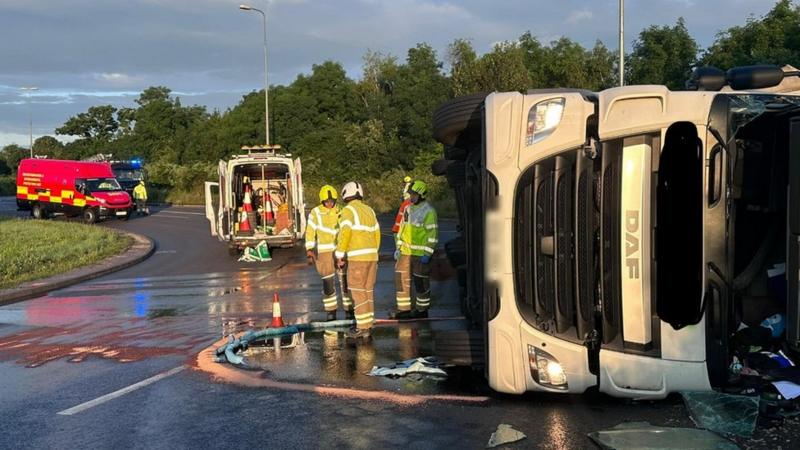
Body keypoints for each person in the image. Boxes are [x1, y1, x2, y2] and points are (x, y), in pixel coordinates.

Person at [335, 181, 381, 341]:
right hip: (372, 257)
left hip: (357, 258)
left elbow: (345, 233)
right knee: (368, 291)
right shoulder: (369, 210)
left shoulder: (348, 211)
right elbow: (377, 234)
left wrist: (340, 253)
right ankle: (368, 324)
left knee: (357, 291)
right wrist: (374, 252)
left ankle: (362, 328)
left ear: (345, 195)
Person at [392, 180, 438, 319]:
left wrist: (427, 253)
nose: (411, 197)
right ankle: (403, 309)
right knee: (401, 281)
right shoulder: (408, 209)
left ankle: (422, 310)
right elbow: (402, 228)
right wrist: (398, 246)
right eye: (410, 194)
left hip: (420, 255)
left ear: (421, 195)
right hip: (405, 253)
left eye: (414, 195)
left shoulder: (429, 211)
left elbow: (432, 235)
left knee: (420, 283)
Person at [305, 185, 350, 321]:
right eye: (327, 201)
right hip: (324, 253)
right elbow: (310, 231)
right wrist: (309, 250)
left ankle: (349, 310)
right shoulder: (315, 212)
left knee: (345, 282)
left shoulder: (341, 210)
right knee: (328, 284)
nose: (330, 203)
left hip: (341, 251)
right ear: (322, 200)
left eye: (332, 201)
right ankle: (331, 312)